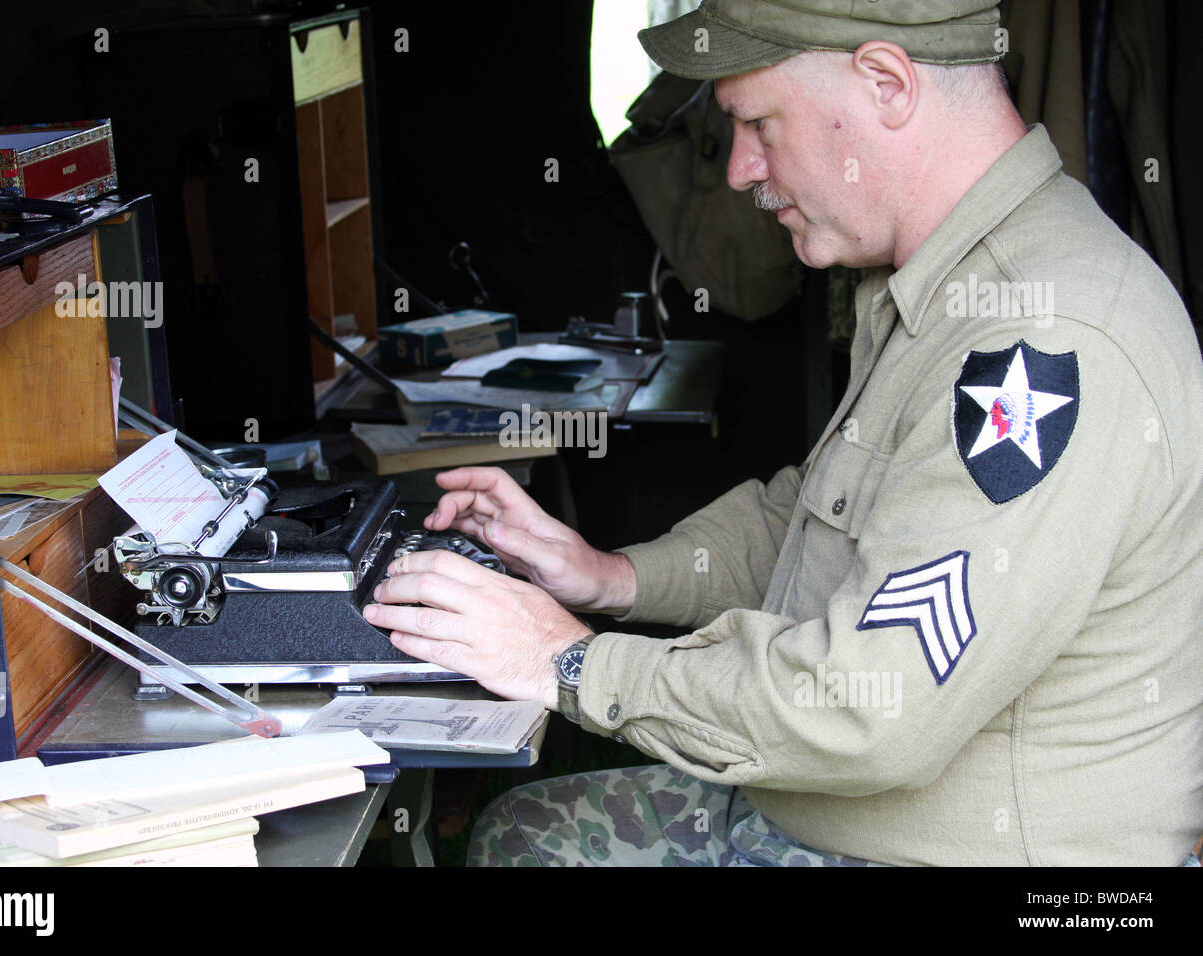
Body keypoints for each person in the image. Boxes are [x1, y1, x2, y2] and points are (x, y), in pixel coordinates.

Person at [363, 0, 1203, 866]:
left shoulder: (1043, 343)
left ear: (886, 84)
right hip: (838, 820)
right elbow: (821, 522)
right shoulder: (948, 279)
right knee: (524, 834)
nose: (739, 170)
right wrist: (609, 578)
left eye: (758, 122)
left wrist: (567, 662)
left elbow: (863, 712)